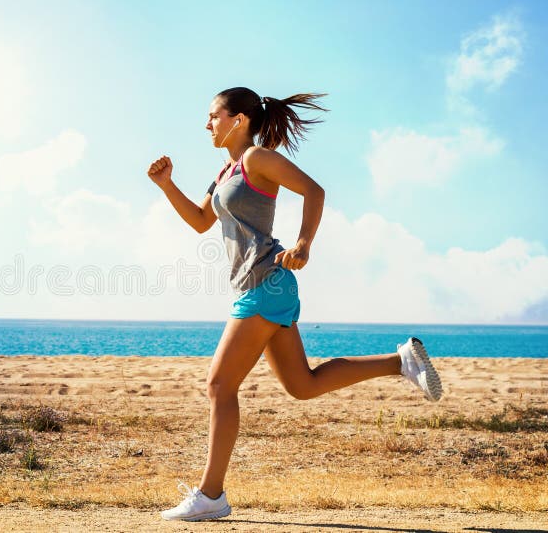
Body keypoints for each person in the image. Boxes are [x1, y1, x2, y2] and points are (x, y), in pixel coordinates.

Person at [146, 87, 443, 522]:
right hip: (259, 287)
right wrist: (166, 184)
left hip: (268, 282)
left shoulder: (256, 159)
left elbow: (314, 191)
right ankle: (399, 362)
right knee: (302, 385)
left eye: (213, 115)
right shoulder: (226, 169)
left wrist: (303, 244)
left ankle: (211, 496)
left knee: (218, 385)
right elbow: (200, 221)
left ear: (239, 120)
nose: (206, 124)